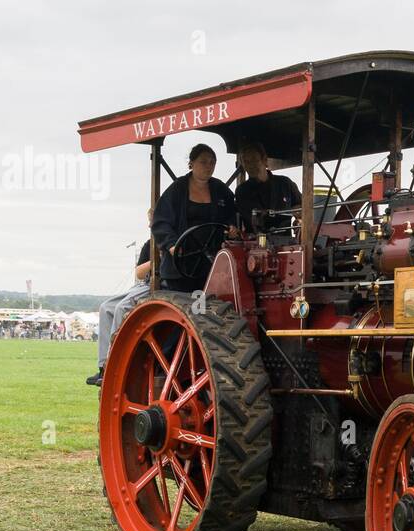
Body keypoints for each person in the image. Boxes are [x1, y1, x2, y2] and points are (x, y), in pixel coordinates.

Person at [151, 144, 238, 292]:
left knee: (210, 308)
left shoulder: (220, 189)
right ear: (191, 163)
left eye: (212, 162)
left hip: (212, 263)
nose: (208, 166)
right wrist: (172, 245)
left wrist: (232, 227)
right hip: (181, 265)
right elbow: (160, 222)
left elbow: (233, 214)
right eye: (203, 162)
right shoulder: (177, 189)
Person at [86, 231, 154, 387]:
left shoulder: (170, 239)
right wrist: (156, 259)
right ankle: (104, 366)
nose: (151, 225)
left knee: (122, 308)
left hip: (158, 285)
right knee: (105, 307)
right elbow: (140, 273)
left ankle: (115, 365)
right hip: (146, 283)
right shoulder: (151, 244)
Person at [235, 139, 301, 235]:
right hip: (255, 245)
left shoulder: (285, 183)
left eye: (254, 160)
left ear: (265, 160)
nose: (250, 165)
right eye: (246, 162)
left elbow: (301, 206)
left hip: (287, 243)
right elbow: (258, 219)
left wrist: (300, 219)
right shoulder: (242, 191)